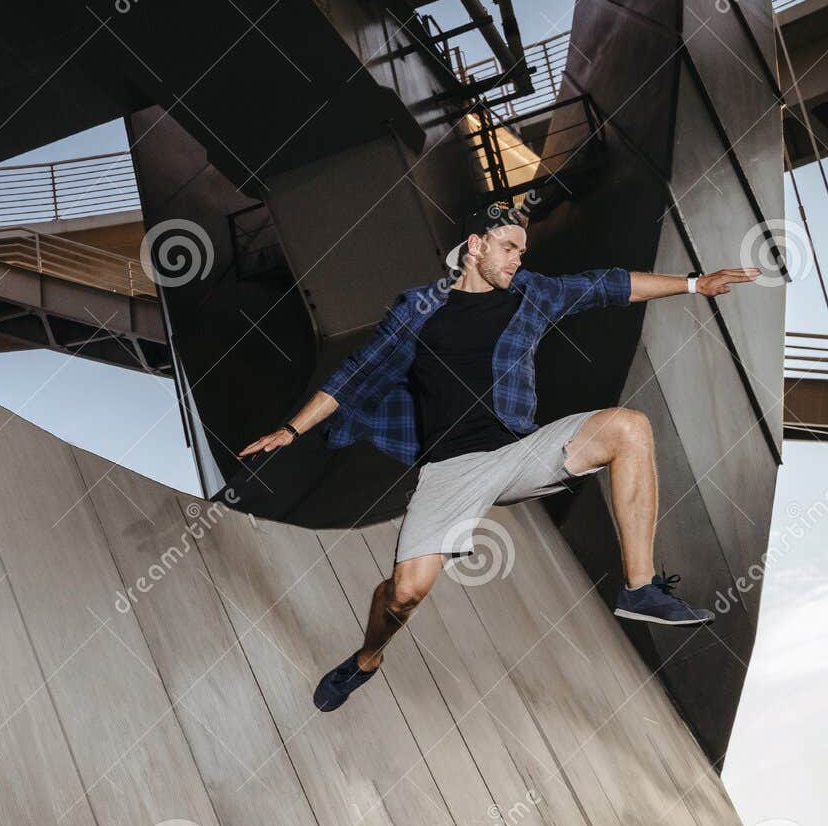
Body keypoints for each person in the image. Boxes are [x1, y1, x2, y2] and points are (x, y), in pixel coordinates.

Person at [235, 203, 762, 712]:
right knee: (404, 595)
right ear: (474, 246)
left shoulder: (532, 294)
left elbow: (608, 285)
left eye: (521, 251)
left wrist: (693, 284)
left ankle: (640, 588)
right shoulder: (418, 308)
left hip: (517, 451)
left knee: (629, 427)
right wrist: (290, 429)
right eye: (509, 248)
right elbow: (356, 371)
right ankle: (368, 658)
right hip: (450, 470)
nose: (517, 260)